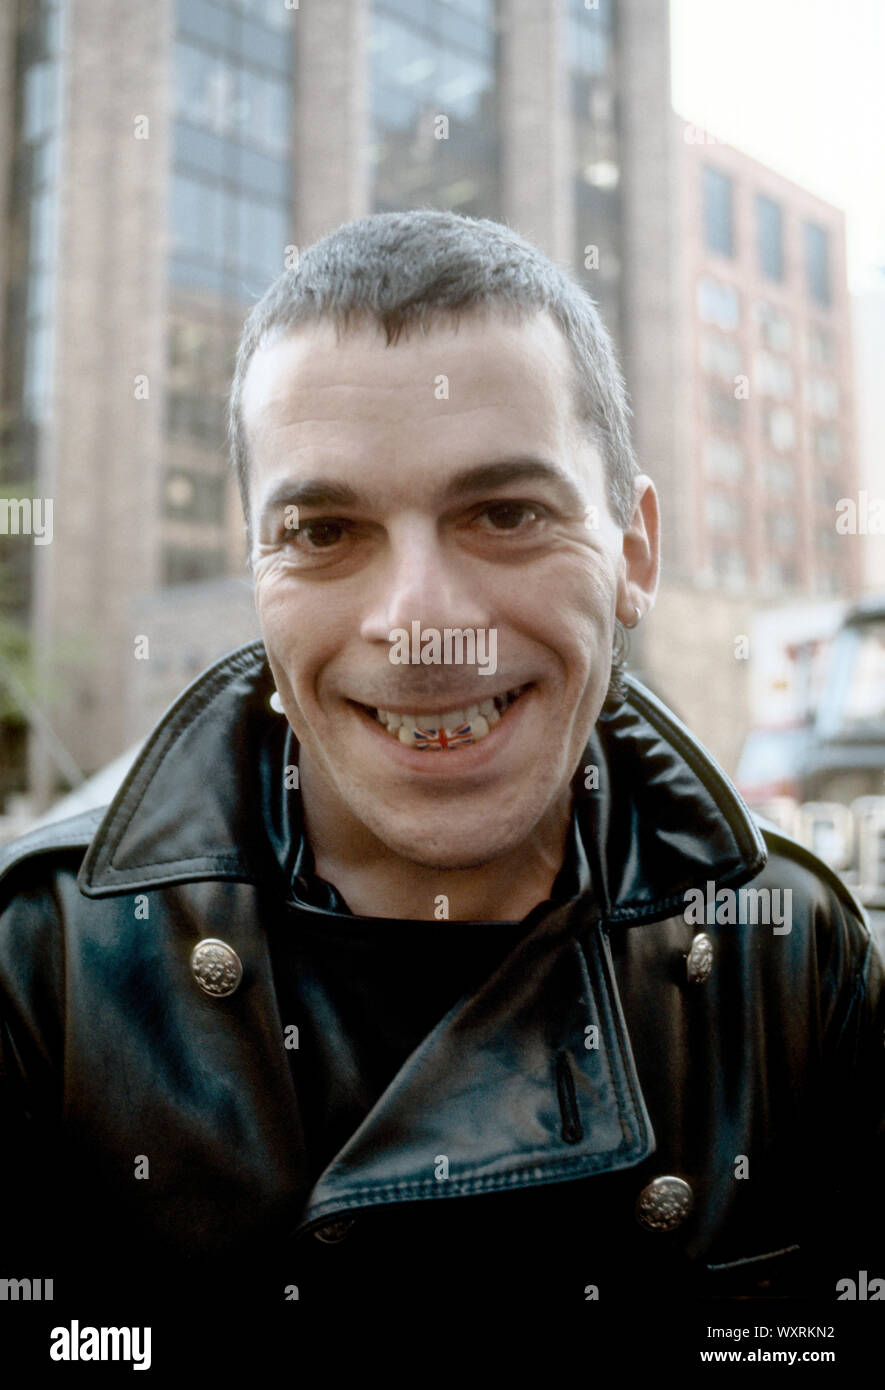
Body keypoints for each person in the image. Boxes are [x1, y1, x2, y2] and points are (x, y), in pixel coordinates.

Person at [1, 212, 882, 1339]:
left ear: (635, 552)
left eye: (505, 513)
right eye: (324, 530)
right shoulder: (40, 972)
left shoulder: (791, 958)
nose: (421, 628)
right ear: (257, 569)